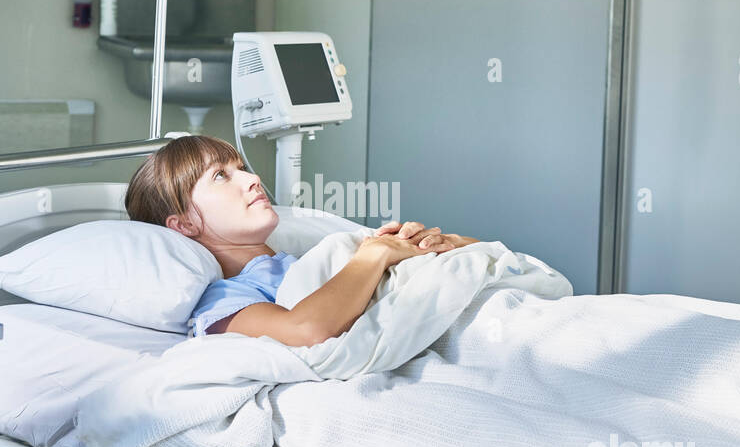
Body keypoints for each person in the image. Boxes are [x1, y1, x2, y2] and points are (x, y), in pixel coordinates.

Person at [125, 135, 478, 346]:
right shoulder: (223, 301)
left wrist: (436, 245)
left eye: (241, 167)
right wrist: (374, 257)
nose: (253, 179)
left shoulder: (306, 262)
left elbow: (484, 256)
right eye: (221, 175)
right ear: (184, 224)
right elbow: (306, 329)